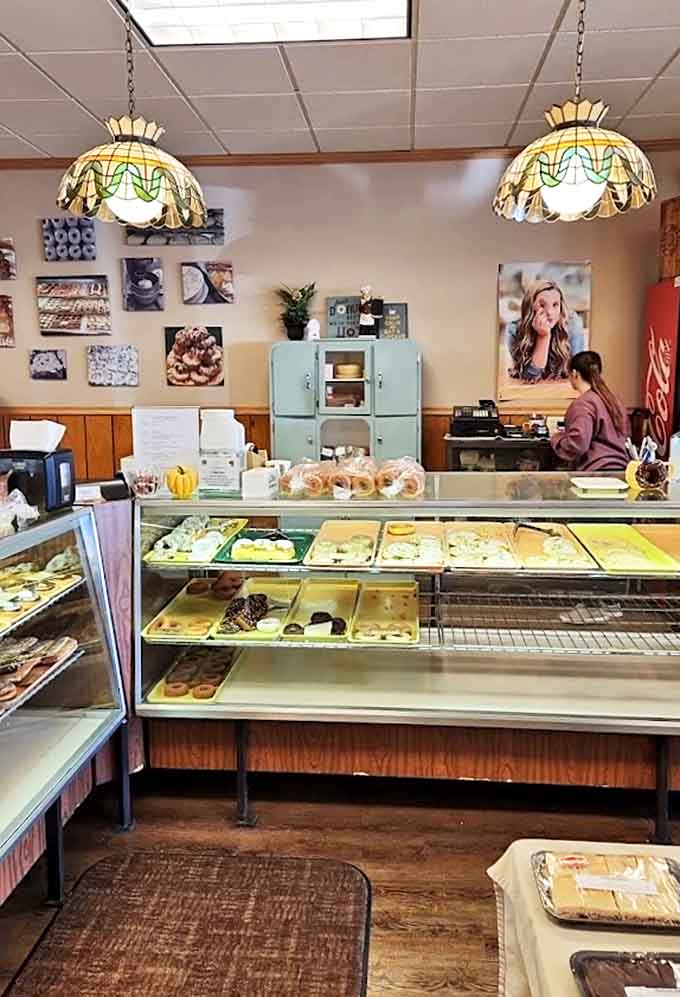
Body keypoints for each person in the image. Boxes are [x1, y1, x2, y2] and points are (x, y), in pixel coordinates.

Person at [550, 351, 629, 471]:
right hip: (621, 470)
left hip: (595, 473)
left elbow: (578, 445)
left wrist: (556, 438)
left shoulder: (583, 404)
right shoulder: (614, 400)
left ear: (575, 374)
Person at [506, 280, 586, 382]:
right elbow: (530, 377)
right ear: (530, 307)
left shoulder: (573, 325)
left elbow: (578, 374)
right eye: (542, 305)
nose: (550, 312)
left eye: (555, 305)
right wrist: (543, 337)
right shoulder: (514, 329)